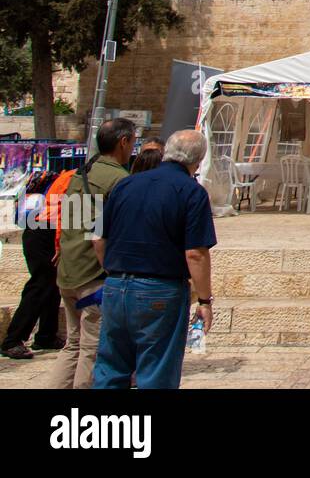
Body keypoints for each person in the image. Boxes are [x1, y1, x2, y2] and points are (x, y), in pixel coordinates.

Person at [92, 129, 217, 390]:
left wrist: (114, 273)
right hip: (159, 289)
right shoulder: (191, 192)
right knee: (156, 370)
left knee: (110, 366)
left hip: (116, 286)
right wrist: (205, 300)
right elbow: (195, 252)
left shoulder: (126, 184)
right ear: (199, 160)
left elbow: (98, 239)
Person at [47, 117, 135, 389]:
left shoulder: (80, 173)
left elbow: (70, 221)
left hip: (69, 271)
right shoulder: (119, 180)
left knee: (73, 344)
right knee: (91, 348)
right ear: (123, 142)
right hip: (93, 277)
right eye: (132, 141)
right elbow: (112, 233)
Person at [0, 169, 72, 360]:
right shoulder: (77, 178)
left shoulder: (72, 176)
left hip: (42, 230)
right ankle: (12, 341)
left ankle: (46, 336)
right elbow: (63, 214)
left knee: (52, 284)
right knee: (40, 284)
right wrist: (59, 244)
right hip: (43, 232)